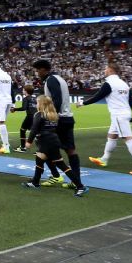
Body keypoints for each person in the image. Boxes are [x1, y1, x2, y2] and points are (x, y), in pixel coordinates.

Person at [83, 63, 132, 175]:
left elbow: (98, 96)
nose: (104, 71)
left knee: (128, 139)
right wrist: (128, 113)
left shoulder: (109, 83)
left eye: (106, 69)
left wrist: (83, 103)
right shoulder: (124, 84)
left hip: (118, 115)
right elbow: (129, 100)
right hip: (123, 113)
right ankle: (104, 159)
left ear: (110, 70)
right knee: (112, 136)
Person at [20, 96, 89, 197]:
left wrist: (28, 142)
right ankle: (35, 182)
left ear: (42, 104)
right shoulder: (53, 114)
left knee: (61, 165)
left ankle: (80, 186)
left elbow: (34, 129)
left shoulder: (39, 114)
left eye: (38, 102)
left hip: (46, 142)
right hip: (52, 141)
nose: (37, 104)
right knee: (40, 159)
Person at [33, 59, 82, 188]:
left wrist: (51, 118)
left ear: (43, 69)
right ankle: (76, 181)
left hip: (59, 119)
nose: (37, 73)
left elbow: (57, 100)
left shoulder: (51, 80)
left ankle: (56, 176)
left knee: (44, 147)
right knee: (70, 150)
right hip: (68, 117)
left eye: (38, 70)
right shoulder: (59, 78)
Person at [14, 84, 37, 152]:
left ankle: (23, 147)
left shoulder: (26, 98)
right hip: (36, 116)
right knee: (35, 132)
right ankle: (41, 149)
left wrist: (14, 109)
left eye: (23, 90)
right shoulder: (35, 99)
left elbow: (24, 108)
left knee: (22, 130)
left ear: (26, 91)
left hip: (30, 116)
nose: (22, 91)